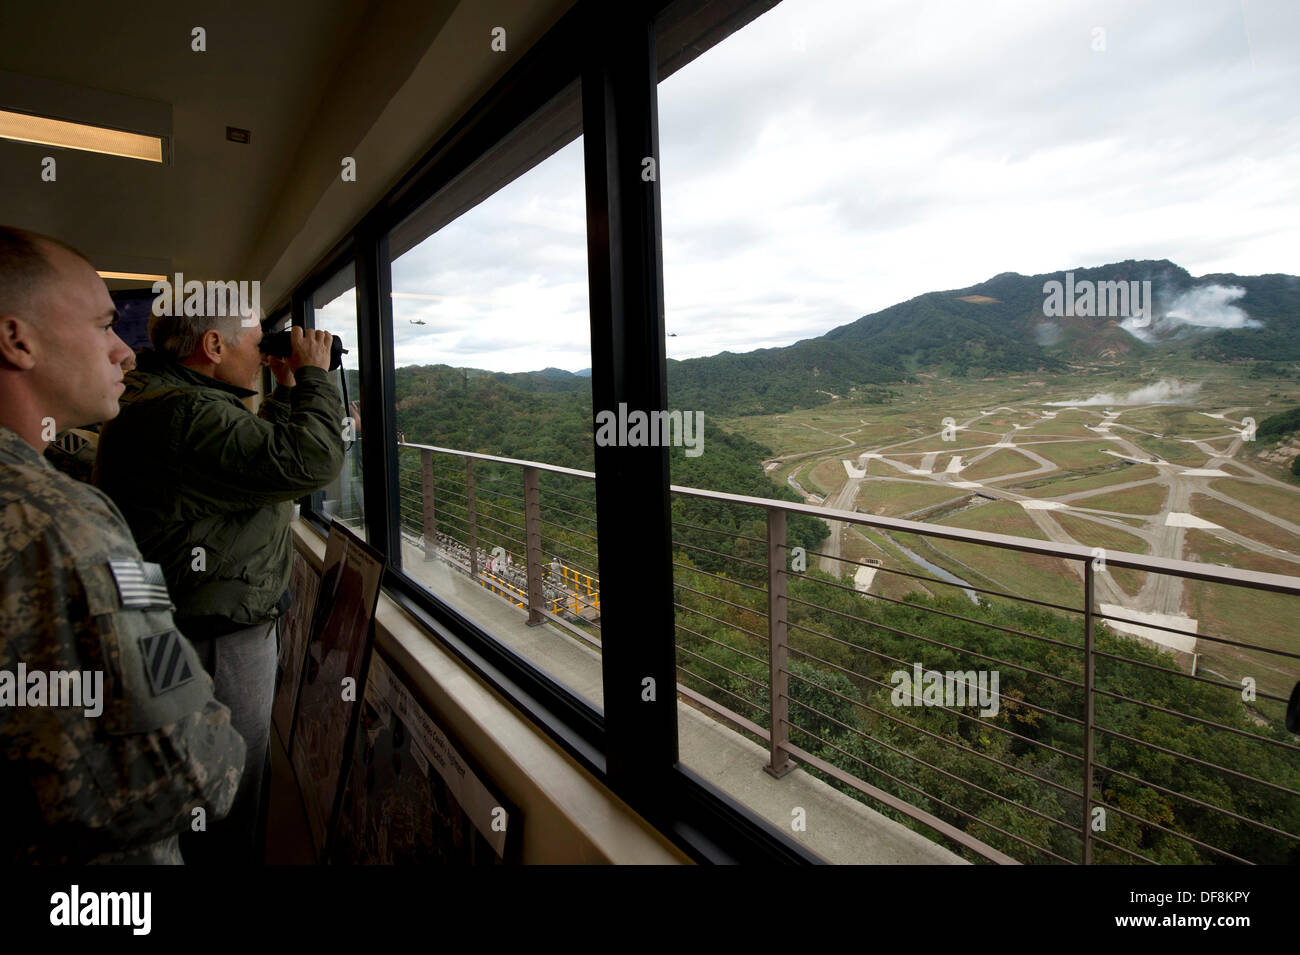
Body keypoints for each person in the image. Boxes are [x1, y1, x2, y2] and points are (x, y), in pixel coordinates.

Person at [0, 225, 246, 863]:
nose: (124, 353)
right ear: (15, 339)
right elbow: (192, 773)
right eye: (104, 325)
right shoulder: (57, 521)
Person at [95, 296, 344, 864]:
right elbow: (307, 464)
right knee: (229, 781)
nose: (262, 354)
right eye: (258, 342)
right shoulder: (186, 413)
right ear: (213, 346)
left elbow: (259, 470)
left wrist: (287, 390)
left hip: (190, 617)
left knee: (208, 775)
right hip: (212, 634)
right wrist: (314, 377)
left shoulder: (173, 401)